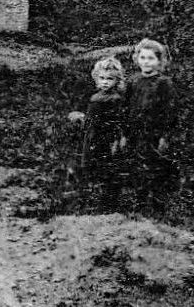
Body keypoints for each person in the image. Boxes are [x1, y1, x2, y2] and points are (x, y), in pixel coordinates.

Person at [67, 56, 127, 212]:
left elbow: (115, 122)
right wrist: (82, 118)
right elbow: (93, 120)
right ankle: (94, 201)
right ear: (96, 78)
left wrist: (82, 118)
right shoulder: (96, 97)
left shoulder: (114, 99)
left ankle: (107, 204)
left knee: (106, 171)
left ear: (117, 80)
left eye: (110, 79)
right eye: (102, 78)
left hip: (105, 139)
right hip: (93, 138)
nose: (105, 82)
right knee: (93, 169)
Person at [126, 38, 179, 210]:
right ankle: (140, 209)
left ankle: (158, 210)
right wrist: (124, 135)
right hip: (136, 133)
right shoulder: (133, 81)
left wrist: (165, 136)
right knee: (137, 170)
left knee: (156, 170)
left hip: (155, 135)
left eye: (151, 58)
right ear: (137, 59)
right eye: (143, 58)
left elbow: (170, 112)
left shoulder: (164, 83)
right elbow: (126, 109)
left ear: (159, 61)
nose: (146, 62)